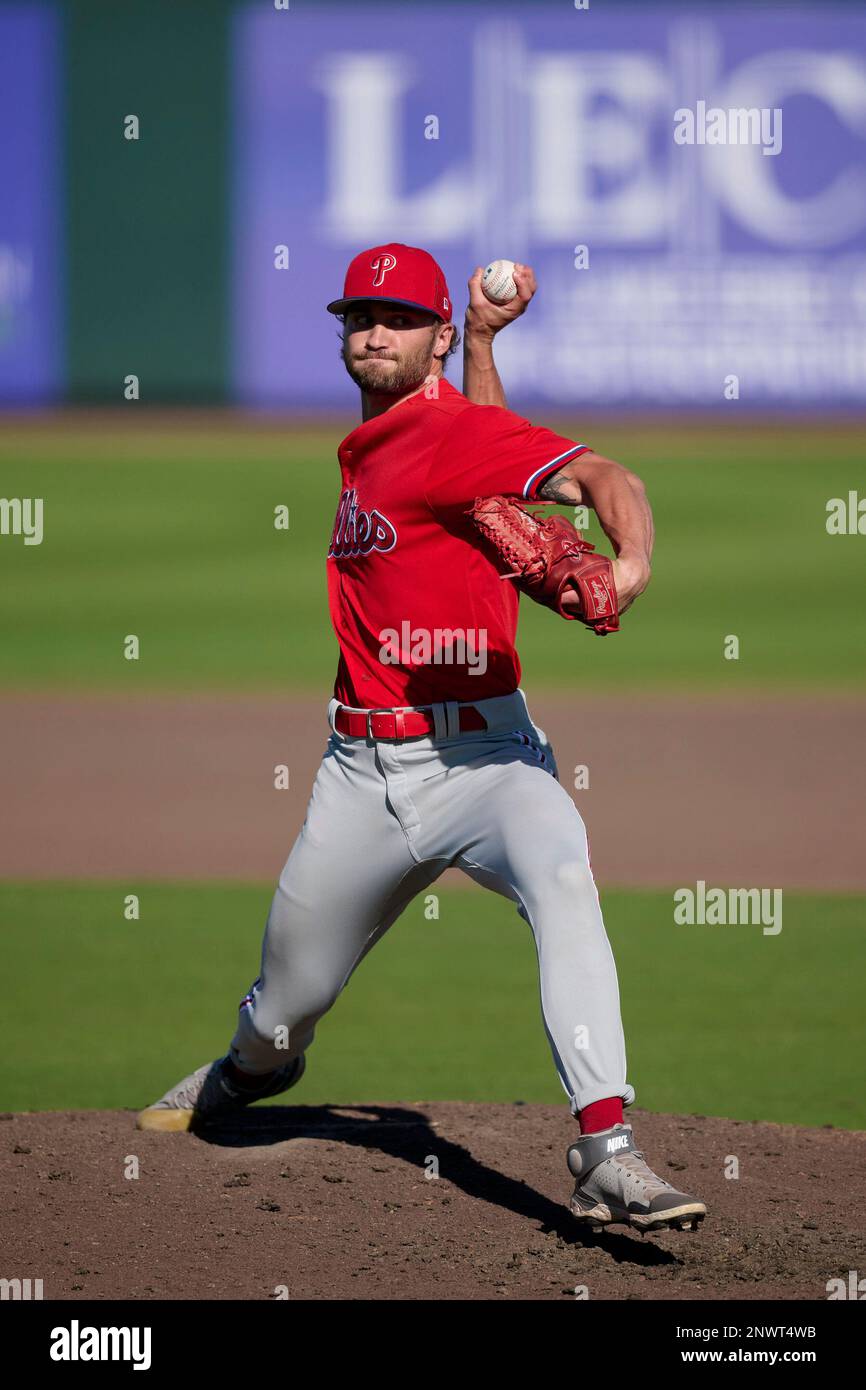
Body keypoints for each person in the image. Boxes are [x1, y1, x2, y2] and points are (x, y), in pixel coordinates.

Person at [137, 243, 706, 1234]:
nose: (371, 331)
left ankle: (605, 1146)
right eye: (357, 315)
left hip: (489, 762)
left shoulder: (439, 435)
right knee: (281, 1014)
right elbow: (489, 453)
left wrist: (630, 567)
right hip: (360, 777)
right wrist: (484, 348)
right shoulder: (381, 442)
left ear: (433, 337)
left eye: (396, 318)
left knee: (562, 873)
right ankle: (248, 1069)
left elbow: (603, 474)